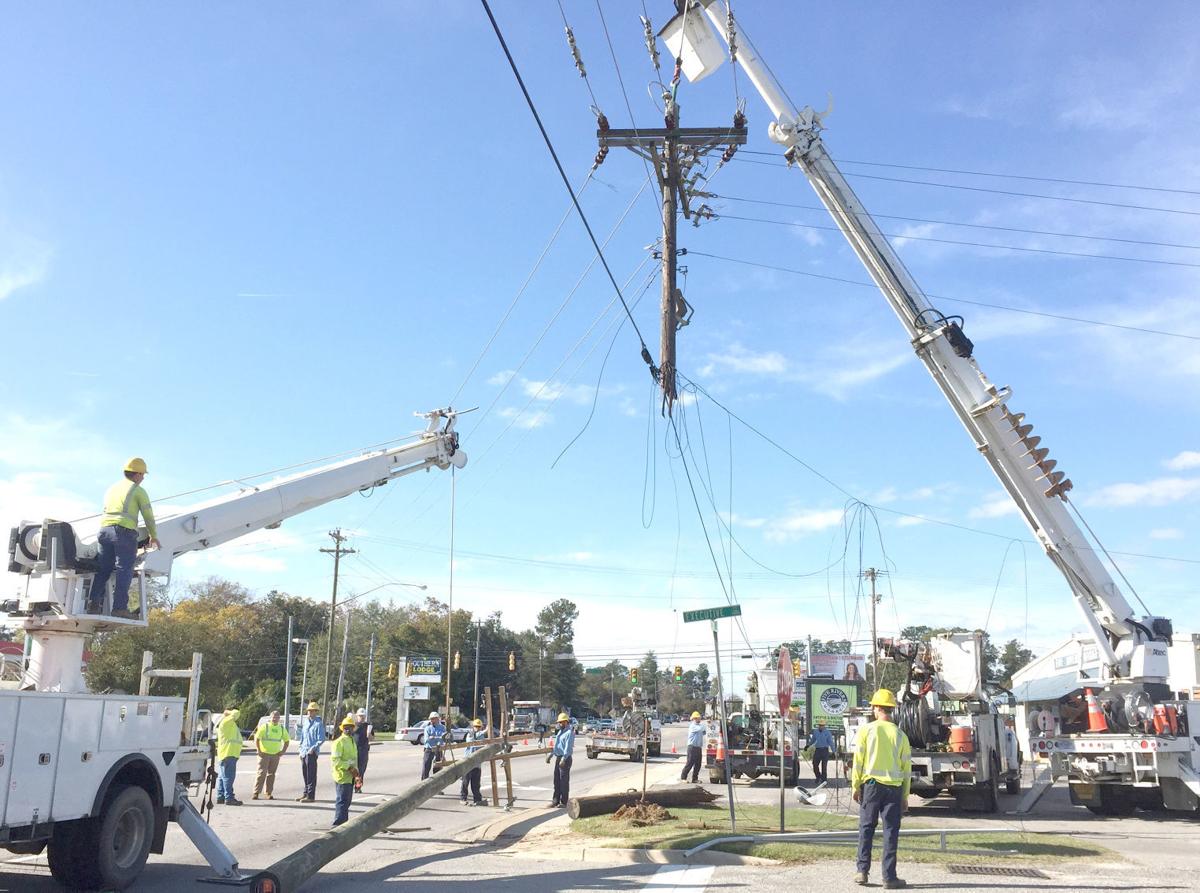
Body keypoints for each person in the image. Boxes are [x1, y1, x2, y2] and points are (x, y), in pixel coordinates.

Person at [851, 689, 911, 889]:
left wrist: (855, 786)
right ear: (891, 709)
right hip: (894, 789)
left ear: (876, 708)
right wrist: (905, 795)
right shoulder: (901, 735)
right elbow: (906, 769)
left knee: (866, 827)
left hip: (871, 786)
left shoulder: (866, 731)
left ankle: (862, 871)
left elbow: (858, 762)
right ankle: (889, 877)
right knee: (891, 831)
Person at [89, 457, 161, 618]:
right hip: (124, 533)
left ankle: (93, 604)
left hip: (104, 531)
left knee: (104, 569)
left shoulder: (112, 489)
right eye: (143, 474)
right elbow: (148, 516)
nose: (143, 478)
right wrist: (153, 536)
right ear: (138, 474)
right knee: (124, 569)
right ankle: (119, 608)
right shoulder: (138, 491)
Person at [252, 710, 290, 800]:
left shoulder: (281, 728)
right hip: (264, 754)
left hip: (275, 755)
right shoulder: (265, 726)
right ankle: (256, 792)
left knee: (271, 774)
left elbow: (287, 741)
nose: (275, 719)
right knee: (261, 773)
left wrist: (282, 751)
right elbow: (257, 738)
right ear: (270, 718)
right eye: (273, 717)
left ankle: (268, 793)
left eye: (277, 717)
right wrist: (259, 750)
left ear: (279, 719)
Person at [330, 714, 360, 827]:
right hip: (342, 776)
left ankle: (344, 825)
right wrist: (349, 768)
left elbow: (354, 759)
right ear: (342, 728)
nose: (348, 729)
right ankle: (338, 825)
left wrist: (357, 774)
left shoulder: (352, 741)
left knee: (347, 802)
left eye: (350, 727)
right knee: (342, 801)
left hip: (350, 776)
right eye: (346, 727)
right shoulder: (339, 742)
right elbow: (336, 761)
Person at [296, 701, 326, 802]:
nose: (310, 712)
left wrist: (313, 748)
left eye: (312, 711)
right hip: (304, 751)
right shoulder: (306, 722)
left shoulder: (318, 723)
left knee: (311, 775)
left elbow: (321, 739)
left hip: (311, 752)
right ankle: (305, 793)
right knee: (305, 774)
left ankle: (310, 796)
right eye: (309, 710)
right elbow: (302, 737)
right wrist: (300, 749)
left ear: (316, 712)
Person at [215, 708, 244, 806]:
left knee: (222, 777)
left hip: (226, 754)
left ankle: (221, 796)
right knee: (228, 777)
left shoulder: (228, 724)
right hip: (229, 753)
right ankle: (229, 798)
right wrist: (228, 712)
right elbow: (237, 712)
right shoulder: (226, 722)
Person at [549, 712, 575, 808]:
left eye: (562, 722)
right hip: (558, 757)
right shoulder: (560, 732)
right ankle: (555, 800)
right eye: (559, 722)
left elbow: (568, 748)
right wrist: (551, 755)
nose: (560, 724)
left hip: (565, 759)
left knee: (563, 781)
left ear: (566, 722)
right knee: (556, 780)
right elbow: (557, 746)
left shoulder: (569, 733)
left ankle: (564, 801)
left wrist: (563, 759)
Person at [460, 718, 488, 806]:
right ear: (473, 727)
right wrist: (484, 731)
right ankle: (463, 798)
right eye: (476, 726)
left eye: (479, 727)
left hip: (477, 762)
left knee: (476, 783)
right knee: (465, 782)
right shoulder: (470, 734)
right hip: (468, 761)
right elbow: (471, 741)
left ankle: (477, 799)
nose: (477, 728)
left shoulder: (481, 736)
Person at [680, 711, 706, 783]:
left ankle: (694, 778)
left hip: (698, 747)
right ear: (694, 719)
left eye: (699, 718)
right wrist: (708, 724)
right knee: (690, 763)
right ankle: (683, 777)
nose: (699, 719)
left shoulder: (699, 726)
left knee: (698, 764)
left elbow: (704, 732)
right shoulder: (693, 726)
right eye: (697, 718)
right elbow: (701, 729)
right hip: (692, 747)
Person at [421, 711, 447, 780]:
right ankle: (423, 783)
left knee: (437, 768)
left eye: (433, 719)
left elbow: (445, 738)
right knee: (426, 767)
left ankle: (436, 784)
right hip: (429, 749)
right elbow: (426, 739)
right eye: (431, 719)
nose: (431, 720)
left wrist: (433, 737)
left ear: (437, 719)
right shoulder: (427, 728)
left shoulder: (443, 728)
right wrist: (439, 738)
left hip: (438, 749)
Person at [810, 719, 835, 785]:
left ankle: (824, 780)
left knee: (824, 767)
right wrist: (808, 745)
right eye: (820, 725)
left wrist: (833, 751)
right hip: (818, 750)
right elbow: (813, 740)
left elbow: (831, 742)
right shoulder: (815, 732)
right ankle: (818, 776)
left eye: (822, 725)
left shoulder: (827, 732)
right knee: (815, 764)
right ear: (818, 725)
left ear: (824, 726)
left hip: (825, 750)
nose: (821, 726)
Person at [352, 708, 371, 793]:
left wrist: (369, 735)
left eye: (363, 716)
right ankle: (351, 786)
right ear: (357, 716)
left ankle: (358, 787)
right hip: (353, 750)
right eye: (360, 716)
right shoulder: (353, 725)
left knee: (361, 770)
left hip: (363, 750)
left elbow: (372, 738)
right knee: (352, 769)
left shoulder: (368, 726)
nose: (362, 717)